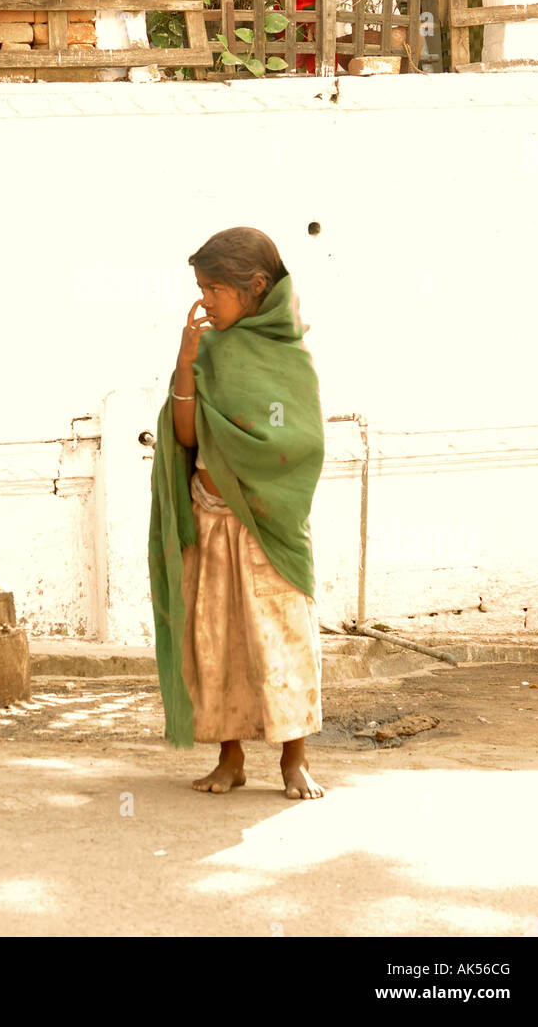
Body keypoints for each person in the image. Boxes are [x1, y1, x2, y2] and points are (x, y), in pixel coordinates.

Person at [148, 227, 326, 798]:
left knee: (281, 635)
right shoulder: (211, 348)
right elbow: (184, 434)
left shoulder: (287, 354)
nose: (203, 301)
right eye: (199, 288)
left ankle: (293, 759)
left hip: (267, 524)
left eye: (213, 289)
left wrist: (253, 464)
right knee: (216, 638)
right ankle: (231, 758)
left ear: (254, 287)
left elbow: (300, 443)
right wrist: (185, 363)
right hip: (209, 517)